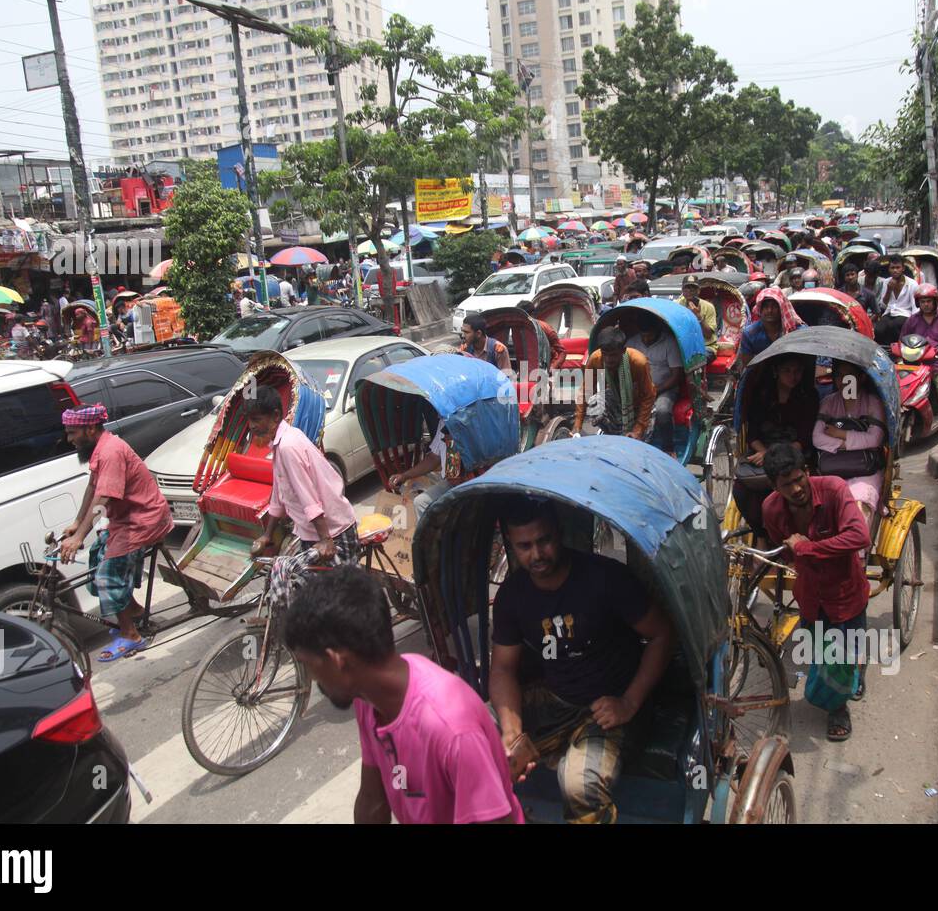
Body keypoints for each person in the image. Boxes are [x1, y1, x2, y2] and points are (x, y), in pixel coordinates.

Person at [281, 565, 520, 823]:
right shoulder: (369, 699)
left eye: (309, 665)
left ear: (337, 661)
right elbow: (373, 799)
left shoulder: (452, 729)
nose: (313, 679)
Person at [489, 498, 675, 823]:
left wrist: (629, 703)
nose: (536, 554)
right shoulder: (512, 595)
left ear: (559, 533)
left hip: (610, 710)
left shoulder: (605, 578)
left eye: (543, 541)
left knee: (581, 786)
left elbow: (662, 635)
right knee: (472, 743)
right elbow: (503, 667)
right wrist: (511, 732)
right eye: (524, 546)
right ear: (510, 546)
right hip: (556, 700)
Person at [759, 443, 871, 742]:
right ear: (775, 487)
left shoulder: (834, 490)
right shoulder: (771, 508)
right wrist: (802, 556)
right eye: (787, 485)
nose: (796, 489)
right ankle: (842, 685)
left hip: (845, 591)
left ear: (807, 472)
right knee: (822, 653)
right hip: (810, 593)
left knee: (847, 651)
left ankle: (839, 709)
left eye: (799, 479)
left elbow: (860, 535)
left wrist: (808, 548)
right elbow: (784, 549)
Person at [58, 403, 174, 661]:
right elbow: (93, 487)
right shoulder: (100, 449)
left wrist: (78, 538)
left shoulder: (110, 452)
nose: (70, 439)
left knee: (106, 575)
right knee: (97, 554)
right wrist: (78, 523)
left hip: (144, 519)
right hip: (126, 519)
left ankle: (131, 635)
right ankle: (132, 608)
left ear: (89, 429)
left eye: (72, 433)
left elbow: (104, 499)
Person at [244, 384, 360, 564]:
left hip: (333, 532)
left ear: (275, 416)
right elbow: (279, 494)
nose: (251, 426)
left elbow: (308, 497)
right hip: (313, 533)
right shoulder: (280, 443)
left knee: (337, 590)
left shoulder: (288, 446)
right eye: (250, 420)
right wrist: (267, 535)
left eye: (257, 419)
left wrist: (326, 540)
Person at [731, 353, 819, 538]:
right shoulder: (761, 395)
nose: (792, 376)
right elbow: (752, 434)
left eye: (797, 371)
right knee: (741, 489)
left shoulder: (808, 396)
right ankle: (761, 534)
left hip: (795, 453)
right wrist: (765, 453)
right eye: (787, 371)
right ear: (776, 371)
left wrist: (773, 456)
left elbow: (804, 437)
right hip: (762, 451)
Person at [812, 361, 886, 524]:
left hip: (865, 471)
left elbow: (875, 439)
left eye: (849, 376)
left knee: (857, 512)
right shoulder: (828, 402)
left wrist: (840, 434)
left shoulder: (873, 402)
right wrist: (852, 440)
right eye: (839, 376)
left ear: (861, 377)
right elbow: (817, 438)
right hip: (832, 468)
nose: (844, 380)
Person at [572, 325, 655, 440]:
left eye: (614, 355)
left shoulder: (638, 362)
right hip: (615, 400)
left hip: (638, 403)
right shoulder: (595, 359)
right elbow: (586, 391)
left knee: (642, 439)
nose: (609, 359)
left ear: (623, 351)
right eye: (605, 354)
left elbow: (648, 396)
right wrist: (577, 426)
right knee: (594, 402)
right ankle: (612, 435)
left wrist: (638, 430)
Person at [899, 284, 938, 432]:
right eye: (922, 301)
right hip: (916, 366)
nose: (926, 305)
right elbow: (902, 340)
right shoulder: (912, 320)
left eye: (928, 301)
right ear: (918, 303)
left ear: (935, 301)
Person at [625, 313, 683, 457]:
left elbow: (676, 375)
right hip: (639, 388)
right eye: (643, 335)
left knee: (662, 411)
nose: (645, 339)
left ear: (657, 330)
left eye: (649, 335)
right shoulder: (632, 342)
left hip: (665, 388)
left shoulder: (669, 343)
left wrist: (655, 390)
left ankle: (668, 449)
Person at [737, 285, 803, 369]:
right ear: (760, 309)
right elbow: (748, 365)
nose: (769, 310)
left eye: (774, 306)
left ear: (781, 308)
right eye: (766, 307)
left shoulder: (795, 331)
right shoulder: (750, 333)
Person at [873, 255, 917, 344]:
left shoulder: (912, 284)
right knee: (878, 329)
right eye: (892, 268)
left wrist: (914, 322)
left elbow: (915, 307)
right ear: (889, 269)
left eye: (898, 267)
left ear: (903, 268)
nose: (895, 270)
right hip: (889, 313)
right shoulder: (886, 282)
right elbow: (883, 305)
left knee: (893, 326)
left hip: (905, 313)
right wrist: (889, 290)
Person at [516, 300, 567, 370]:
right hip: (530, 367)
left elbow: (562, 352)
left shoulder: (546, 328)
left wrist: (554, 366)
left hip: (548, 366)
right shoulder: (520, 329)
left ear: (532, 314)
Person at [678, 273, 718, 357]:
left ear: (698, 290)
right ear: (682, 290)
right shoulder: (677, 305)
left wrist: (698, 316)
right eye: (687, 288)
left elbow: (708, 335)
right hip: (684, 346)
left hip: (706, 346)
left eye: (693, 288)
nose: (689, 291)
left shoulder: (708, 307)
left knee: (697, 359)